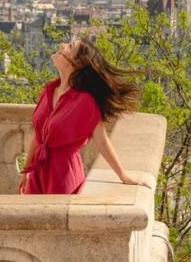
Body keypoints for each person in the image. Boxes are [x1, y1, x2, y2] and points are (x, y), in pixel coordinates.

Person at [19, 37, 148, 194]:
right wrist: (26, 171)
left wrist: (123, 176)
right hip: (37, 173)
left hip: (63, 176)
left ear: (78, 63)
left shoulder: (84, 101)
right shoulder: (48, 91)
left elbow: (102, 141)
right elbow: (38, 137)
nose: (62, 45)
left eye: (69, 46)